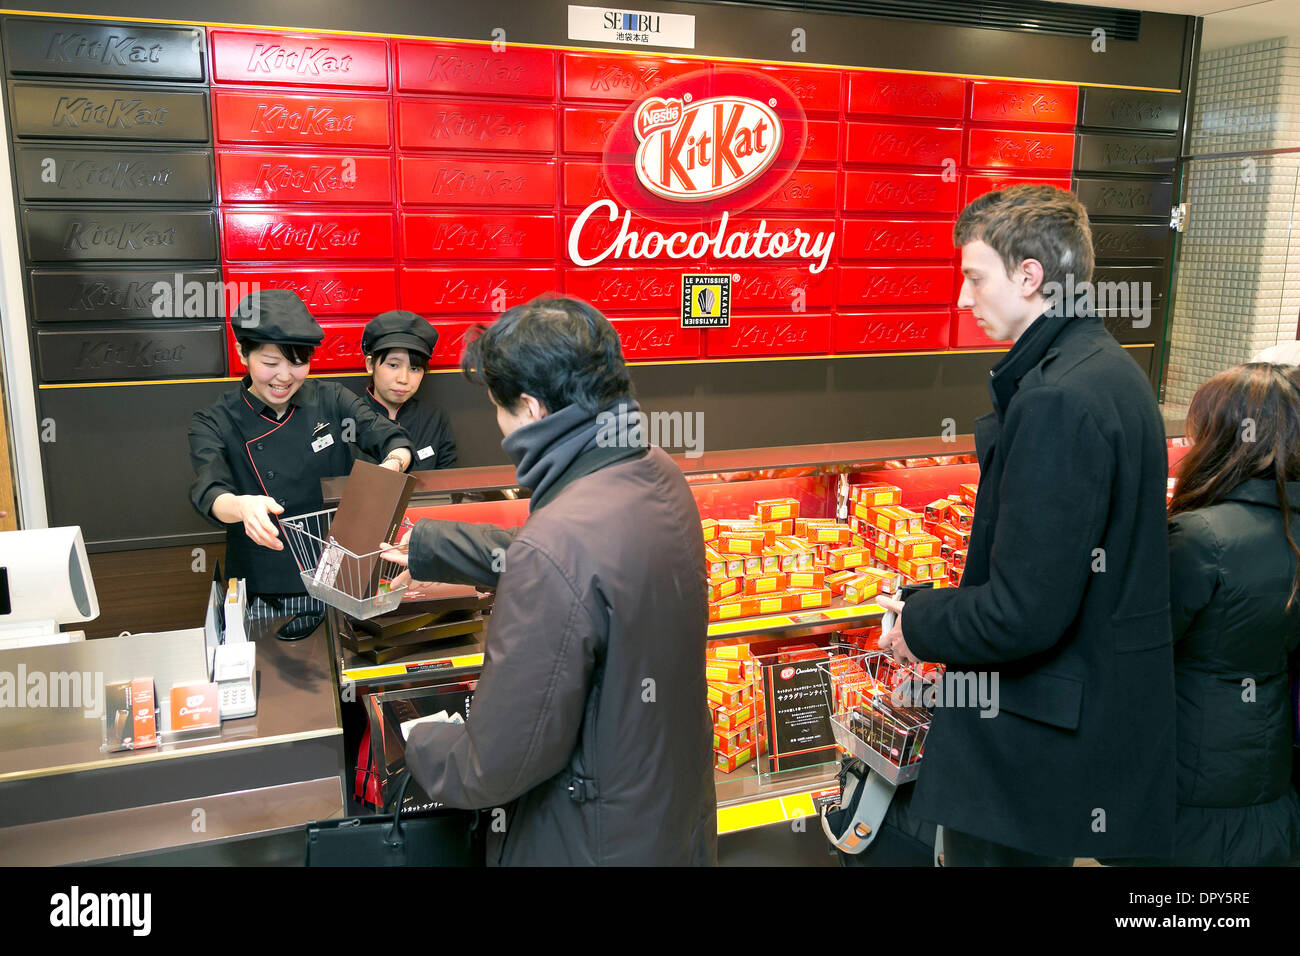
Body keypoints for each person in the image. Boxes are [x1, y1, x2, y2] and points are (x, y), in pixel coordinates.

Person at [878, 184, 1176, 865]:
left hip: (1027, 745)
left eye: (974, 277)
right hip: (1085, 729)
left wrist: (915, 626)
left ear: (1030, 276)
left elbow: (1023, 613)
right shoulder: (1109, 370)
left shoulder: (1056, 399)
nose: (964, 298)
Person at [383, 296, 717, 866]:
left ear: (533, 410)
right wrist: (433, 545)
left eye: (499, 408)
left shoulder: (557, 543)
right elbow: (583, 564)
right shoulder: (657, 469)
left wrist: (418, 742)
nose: (498, 423)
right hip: (668, 816)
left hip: (591, 839)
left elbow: (494, 766)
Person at [1134, 363, 1300, 865]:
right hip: (1266, 769)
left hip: (1190, 776)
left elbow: (1142, 645)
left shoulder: (1201, 538)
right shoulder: (1287, 529)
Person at [188, 290, 414, 635]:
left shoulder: (330, 399)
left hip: (344, 576)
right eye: (270, 362)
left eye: (296, 363)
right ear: (241, 353)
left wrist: (393, 464)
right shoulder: (215, 421)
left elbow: (392, 438)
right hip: (269, 588)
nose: (284, 377)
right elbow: (209, 490)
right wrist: (241, 506)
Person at [357, 310, 457, 471]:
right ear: (370, 365)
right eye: (393, 365)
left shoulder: (433, 418)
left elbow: (449, 480)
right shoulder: (349, 416)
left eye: (415, 368)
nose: (403, 379)